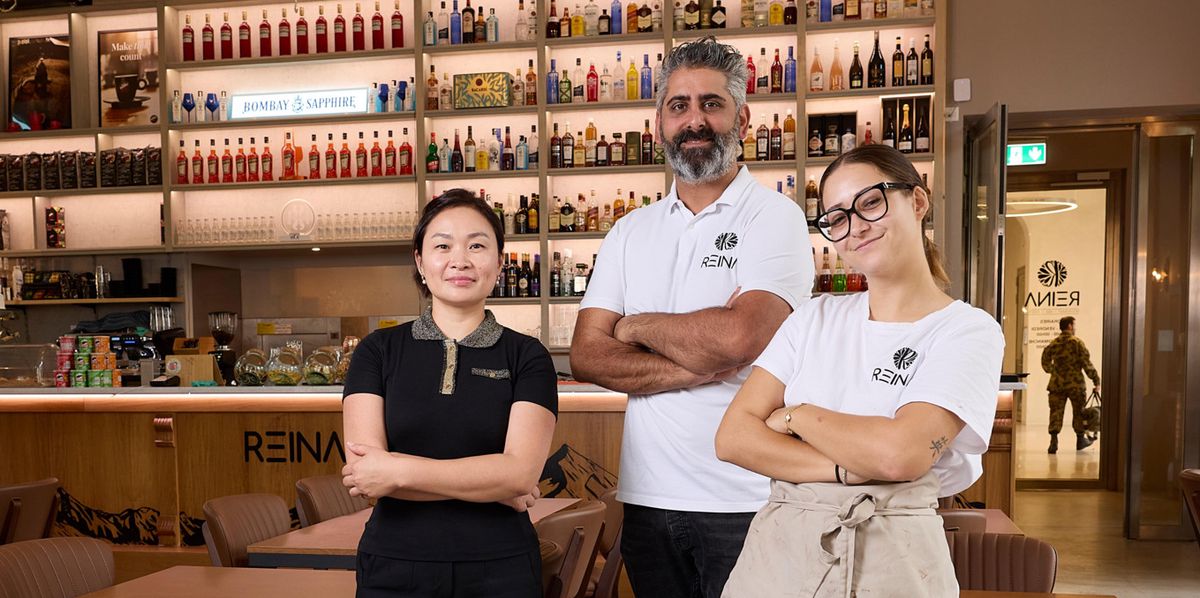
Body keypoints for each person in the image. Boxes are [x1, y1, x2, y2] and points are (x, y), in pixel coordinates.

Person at [570, 37, 813, 598]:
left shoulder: (775, 218)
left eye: (711, 103)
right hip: (648, 501)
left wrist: (633, 327)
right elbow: (587, 355)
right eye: (678, 106)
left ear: (743, 118)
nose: (694, 120)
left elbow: (742, 335)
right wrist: (700, 364)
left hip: (747, 499)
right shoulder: (631, 230)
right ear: (659, 123)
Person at [715, 144, 1004, 597]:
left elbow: (901, 454)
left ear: (918, 200)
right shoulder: (812, 319)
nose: (855, 228)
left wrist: (796, 417)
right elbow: (732, 438)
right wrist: (849, 468)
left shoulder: (968, 330)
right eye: (836, 218)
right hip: (780, 554)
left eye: (870, 202)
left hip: (897, 557)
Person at [341, 189, 557, 598]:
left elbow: (520, 474)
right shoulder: (377, 351)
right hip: (394, 567)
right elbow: (367, 476)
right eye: (443, 245)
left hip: (502, 568)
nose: (460, 259)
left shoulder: (527, 356)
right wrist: (493, 486)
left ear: (499, 262)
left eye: (477, 245)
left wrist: (398, 470)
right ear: (421, 262)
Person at [1041, 315, 1100, 453]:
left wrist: (1054, 372)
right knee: (1079, 413)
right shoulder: (1077, 342)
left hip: (1057, 385)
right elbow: (1086, 364)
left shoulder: (1054, 343)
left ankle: (1053, 442)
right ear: (1069, 326)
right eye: (1074, 325)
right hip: (1076, 385)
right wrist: (1096, 380)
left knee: (1055, 413)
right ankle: (1080, 440)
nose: (1075, 327)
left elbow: (1044, 362)